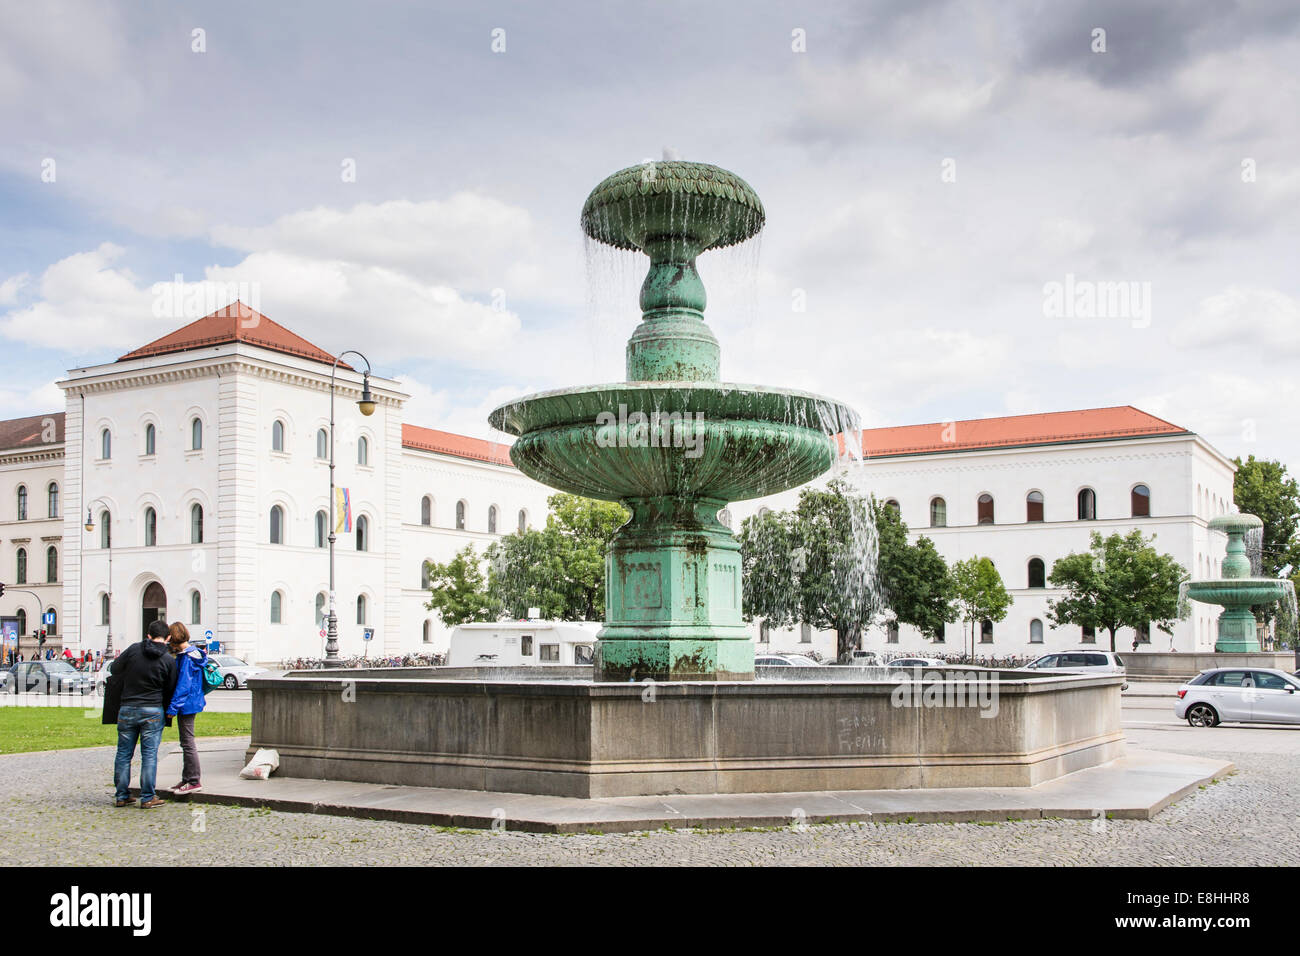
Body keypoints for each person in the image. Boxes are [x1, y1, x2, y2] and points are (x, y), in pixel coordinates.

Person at [103, 620, 177, 808]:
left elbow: (114, 668)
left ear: (148, 635)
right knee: (149, 755)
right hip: (153, 709)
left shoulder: (134, 650)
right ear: (168, 638)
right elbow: (171, 687)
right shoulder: (168, 659)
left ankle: (121, 795)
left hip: (128, 707)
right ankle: (147, 797)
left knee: (123, 753)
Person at [165, 622, 207, 794]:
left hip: (187, 704)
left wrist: (172, 709)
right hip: (193, 702)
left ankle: (194, 780)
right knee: (186, 742)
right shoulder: (193, 653)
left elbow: (183, 685)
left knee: (188, 743)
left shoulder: (187, 658)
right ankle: (187, 778)